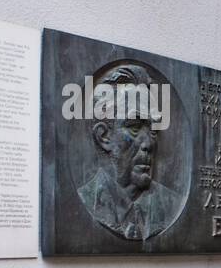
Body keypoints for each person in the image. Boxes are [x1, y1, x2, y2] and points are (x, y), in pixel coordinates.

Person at [78, 63, 184, 241]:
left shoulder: (171, 204)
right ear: (104, 137)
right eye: (134, 127)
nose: (148, 144)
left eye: (153, 131)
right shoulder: (83, 204)